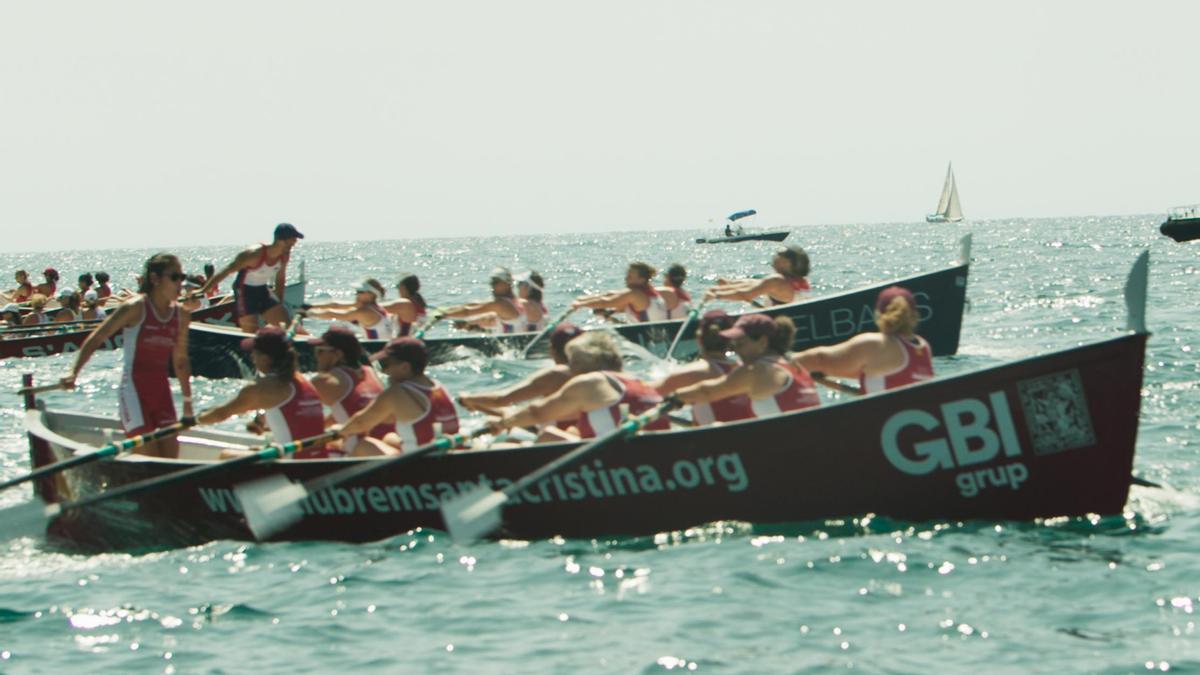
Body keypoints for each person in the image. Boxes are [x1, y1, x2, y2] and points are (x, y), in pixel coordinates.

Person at [61, 253, 193, 458]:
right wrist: (73, 372)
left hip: (162, 395)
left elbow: (181, 362)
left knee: (170, 458)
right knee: (148, 458)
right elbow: (97, 338)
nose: (180, 283)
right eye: (174, 277)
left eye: (182, 277)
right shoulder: (135, 308)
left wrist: (187, 405)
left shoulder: (182, 314)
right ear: (155, 279)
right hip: (133, 393)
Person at [491, 330, 670, 441]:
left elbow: (537, 413)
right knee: (571, 431)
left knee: (547, 436)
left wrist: (502, 423)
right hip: (650, 458)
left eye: (571, 362)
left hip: (614, 461)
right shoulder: (638, 382)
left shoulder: (591, 382)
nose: (569, 369)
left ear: (581, 364)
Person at [197, 326, 336, 459]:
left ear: (265, 358)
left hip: (295, 460)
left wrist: (195, 420)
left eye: (254, 352)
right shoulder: (303, 381)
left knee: (226, 455)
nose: (252, 357)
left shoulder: (261, 387)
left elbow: (220, 414)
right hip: (320, 455)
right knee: (256, 448)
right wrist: (263, 423)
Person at [792, 286, 934, 394]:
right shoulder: (923, 346)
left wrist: (782, 359)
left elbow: (820, 359)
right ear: (914, 315)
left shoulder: (875, 345)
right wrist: (824, 378)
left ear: (878, 314)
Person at [675, 314, 820, 418]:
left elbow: (707, 392)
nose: (736, 351)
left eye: (740, 343)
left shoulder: (756, 371)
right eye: (734, 344)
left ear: (762, 342)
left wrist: (673, 398)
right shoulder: (795, 366)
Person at [332, 337, 460, 455]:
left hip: (421, 462)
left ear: (405, 367)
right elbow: (388, 419)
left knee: (363, 445)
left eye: (386, 364)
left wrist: (340, 432)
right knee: (390, 438)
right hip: (446, 455)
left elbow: (361, 423)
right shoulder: (438, 387)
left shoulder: (397, 392)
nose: (384, 371)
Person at [458, 323, 585, 416]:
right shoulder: (592, 370)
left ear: (551, 351)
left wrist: (467, 398)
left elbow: (501, 400)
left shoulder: (555, 375)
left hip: (557, 431)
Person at [653, 310, 753, 425]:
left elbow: (642, 395)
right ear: (731, 339)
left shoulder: (694, 372)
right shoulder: (747, 369)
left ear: (699, 338)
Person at [199, 222, 302, 332]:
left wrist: (279, 304)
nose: (295, 243)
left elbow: (280, 279)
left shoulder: (284, 256)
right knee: (251, 331)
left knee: (287, 327)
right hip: (244, 293)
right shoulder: (253, 254)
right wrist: (203, 290)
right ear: (281, 240)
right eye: (292, 240)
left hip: (262, 291)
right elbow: (226, 271)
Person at [307, 326, 391, 455]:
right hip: (386, 445)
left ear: (338, 354)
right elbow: (353, 408)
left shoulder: (327, 380)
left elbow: (299, 416)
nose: (317, 356)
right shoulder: (370, 372)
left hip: (360, 451)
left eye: (320, 351)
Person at [704, 246, 811, 306]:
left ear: (786, 263)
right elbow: (751, 283)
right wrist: (730, 284)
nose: (774, 257)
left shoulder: (776, 280)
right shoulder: (793, 281)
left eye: (778, 256)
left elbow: (746, 294)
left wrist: (716, 295)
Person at [570, 262, 668, 323]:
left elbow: (606, 302)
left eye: (630, 277)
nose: (626, 279)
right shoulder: (651, 293)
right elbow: (611, 295)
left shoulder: (635, 294)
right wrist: (582, 299)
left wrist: (580, 304)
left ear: (642, 279)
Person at [439, 267, 525, 333]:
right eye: (491, 282)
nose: (492, 286)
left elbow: (468, 311)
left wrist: (443, 315)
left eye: (495, 282)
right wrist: (470, 325)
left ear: (507, 283)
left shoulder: (501, 304)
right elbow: (474, 306)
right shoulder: (517, 302)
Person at [305, 279, 395, 340]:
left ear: (371, 294)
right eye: (356, 291)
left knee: (339, 325)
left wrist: (308, 313)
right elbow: (337, 305)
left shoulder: (365, 312)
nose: (356, 294)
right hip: (379, 344)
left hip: (375, 348)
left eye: (360, 292)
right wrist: (310, 306)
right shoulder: (375, 307)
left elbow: (334, 314)